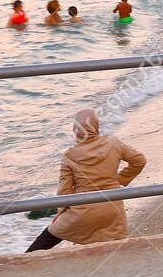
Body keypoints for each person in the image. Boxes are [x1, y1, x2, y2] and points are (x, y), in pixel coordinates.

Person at [25, 108, 147, 252]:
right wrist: (120, 180)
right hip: (112, 209)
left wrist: (60, 212)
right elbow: (139, 161)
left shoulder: (70, 155)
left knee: (42, 243)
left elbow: (64, 192)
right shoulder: (113, 143)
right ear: (96, 125)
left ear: (75, 129)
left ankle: (23, 263)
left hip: (81, 212)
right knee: (114, 250)